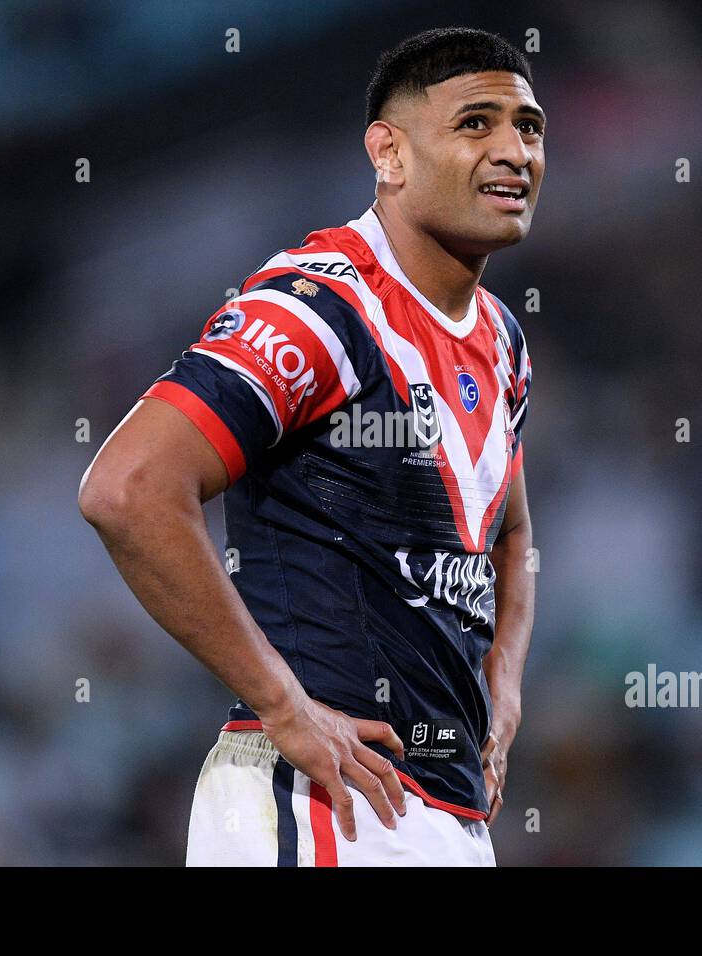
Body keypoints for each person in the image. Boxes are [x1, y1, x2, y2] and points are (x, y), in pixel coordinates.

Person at [79, 25, 544, 866]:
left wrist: (502, 690)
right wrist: (285, 709)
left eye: (530, 127)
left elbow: (507, 534)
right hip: (327, 804)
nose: (514, 150)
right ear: (389, 152)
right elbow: (129, 488)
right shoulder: (319, 305)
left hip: (444, 819)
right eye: (477, 123)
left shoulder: (503, 342)